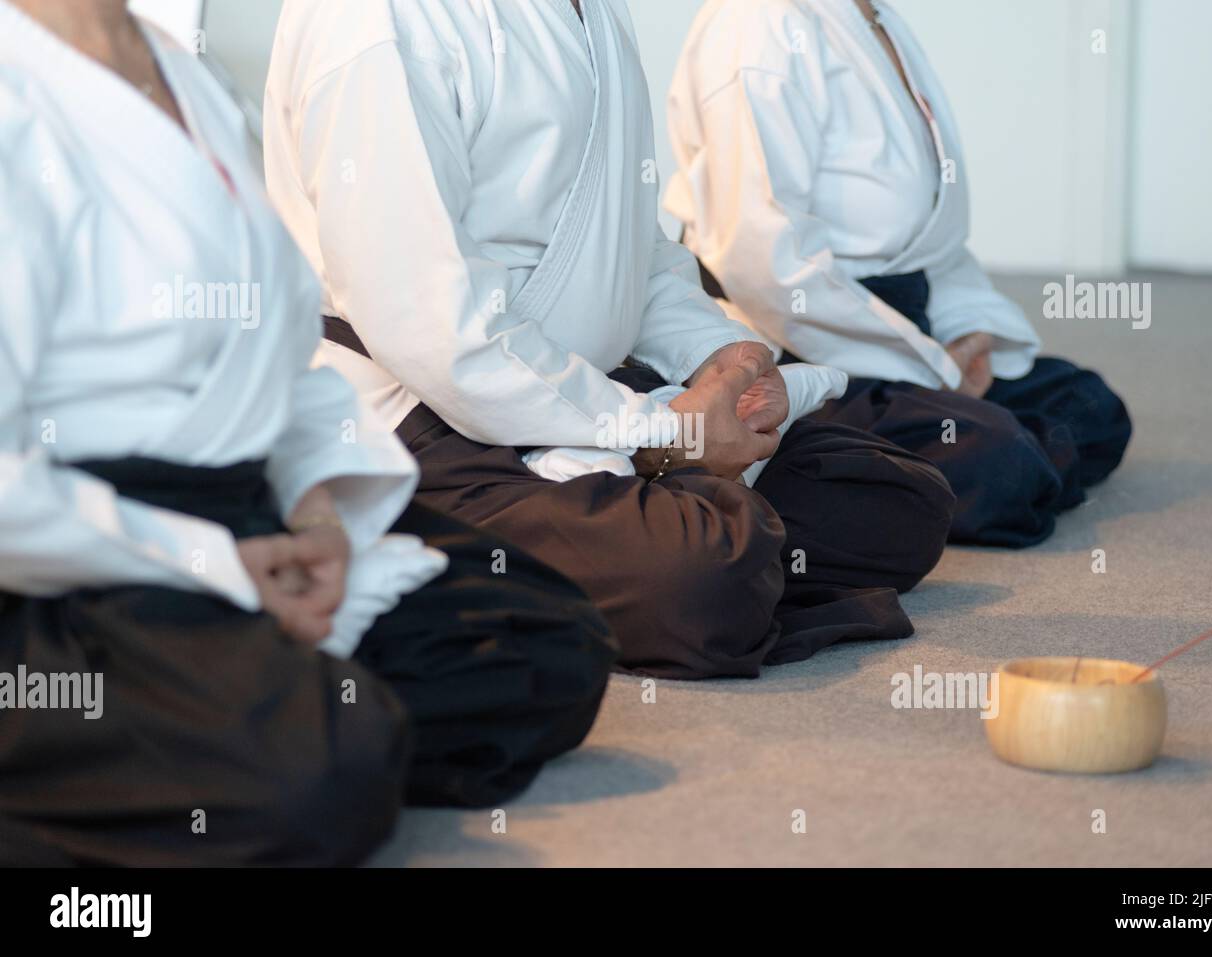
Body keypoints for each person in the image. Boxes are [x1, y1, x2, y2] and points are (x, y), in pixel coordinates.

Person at [0, 0, 615, 867]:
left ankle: (247, 697)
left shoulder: (186, 76)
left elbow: (283, 356)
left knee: (544, 651)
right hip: (76, 555)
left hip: (246, 506)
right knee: (321, 776)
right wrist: (207, 562)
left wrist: (319, 515)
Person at [264, 0, 956, 680]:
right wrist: (654, 431)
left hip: (588, 393)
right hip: (422, 419)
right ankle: (438, 542)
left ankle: (656, 523)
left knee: (901, 504)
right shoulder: (376, 17)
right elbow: (425, 321)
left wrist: (719, 357)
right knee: (709, 576)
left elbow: (633, 242)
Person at [665, 0, 1133, 547]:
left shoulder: (872, 15)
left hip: (902, 327)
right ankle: (802, 455)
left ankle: (888, 462)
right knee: (1004, 465)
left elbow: (929, 235)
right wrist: (936, 369)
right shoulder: (760, 24)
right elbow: (763, 262)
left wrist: (966, 334)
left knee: (1093, 408)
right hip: (798, 344)